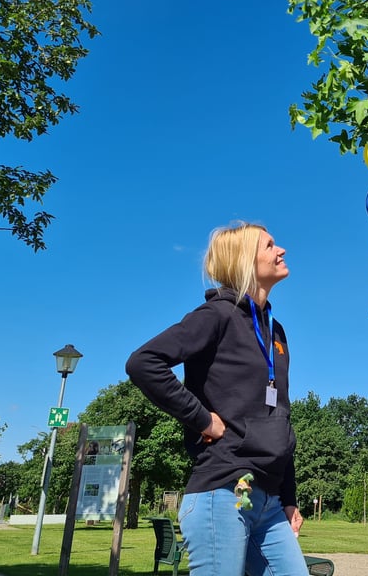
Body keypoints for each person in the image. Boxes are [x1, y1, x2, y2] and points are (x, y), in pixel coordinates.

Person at [126, 222, 307, 576]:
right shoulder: (217, 315)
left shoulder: (277, 332)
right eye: (269, 245)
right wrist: (202, 419)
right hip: (222, 493)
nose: (281, 250)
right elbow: (143, 363)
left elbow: (279, 417)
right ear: (243, 260)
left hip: (268, 502)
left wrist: (288, 498)